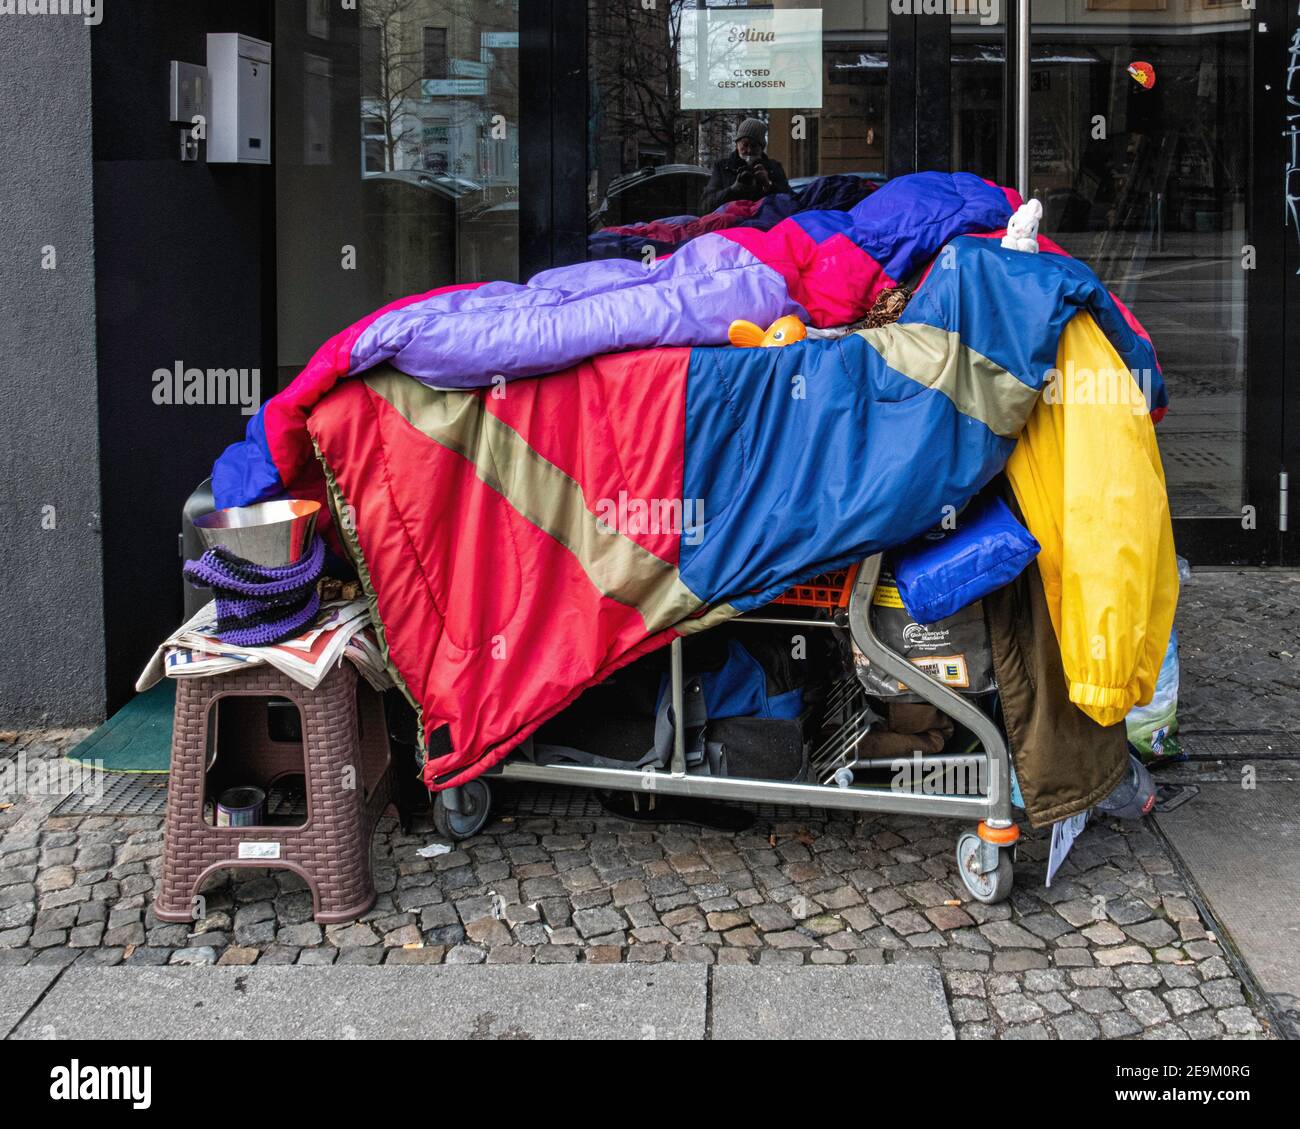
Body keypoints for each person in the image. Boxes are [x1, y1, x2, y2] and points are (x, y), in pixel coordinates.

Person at [699, 118, 792, 213]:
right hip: (733, 220)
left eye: (754, 146)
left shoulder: (774, 167)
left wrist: (768, 185)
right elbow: (706, 204)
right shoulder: (723, 167)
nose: (749, 150)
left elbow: (789, 201)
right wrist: (733, 189)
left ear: (762, 148)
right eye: (745, 145)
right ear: (737, 145)